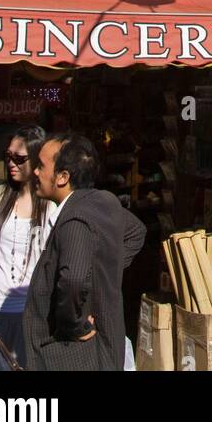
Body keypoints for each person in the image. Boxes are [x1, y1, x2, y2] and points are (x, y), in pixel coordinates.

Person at [23, 132, 146, 371]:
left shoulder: (74, 219)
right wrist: (102, 272)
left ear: (63, 177)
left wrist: (73, 325)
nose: (35, 172)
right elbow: (136, 232)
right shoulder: (103, 202)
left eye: (41, 166)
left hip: (74, 358)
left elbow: (74, 280)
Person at [0, 124, 58, 369]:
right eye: (8, 156)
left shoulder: (50, 207)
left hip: (30, 312)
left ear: (36, 161)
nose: (11, 162)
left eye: (19, 158)